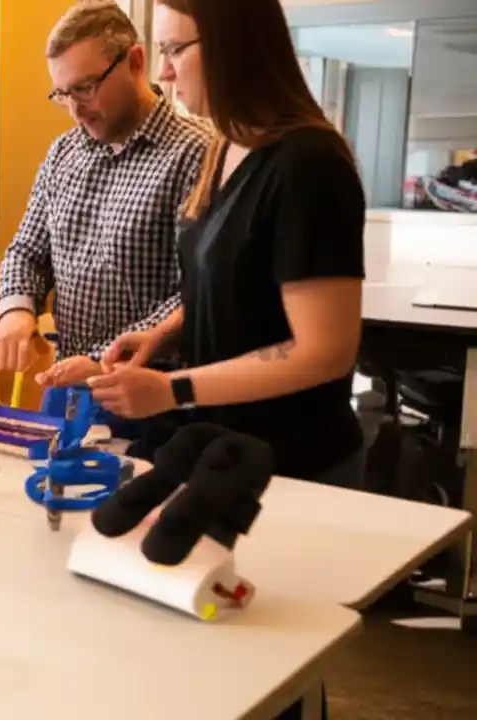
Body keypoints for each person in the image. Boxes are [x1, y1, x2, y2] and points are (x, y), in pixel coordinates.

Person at [89, 0, 367, 492]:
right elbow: (235, 285)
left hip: (293, 465)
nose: (164, 72)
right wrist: (166, 333)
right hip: (225, 450)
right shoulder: (227, 145)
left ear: (233, 46)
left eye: (175, 50)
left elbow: (324, 351)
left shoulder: (308, 164)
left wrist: (173, 389)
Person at [0, 0, 211, 391]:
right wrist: (16, 311)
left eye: (86, 88)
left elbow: (199, 294)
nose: (76, 109)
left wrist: (99, 359)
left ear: (135, 62)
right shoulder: (63, 153)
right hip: (72, 394)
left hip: (156, 401)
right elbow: (26, 251)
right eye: (63, 93)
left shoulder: (197, 154)